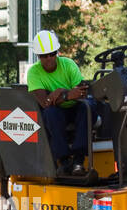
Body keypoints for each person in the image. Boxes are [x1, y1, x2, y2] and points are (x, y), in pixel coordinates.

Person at [26, 30, 90, 174]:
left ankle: (79, 161)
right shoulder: (34, 73)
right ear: (38, 56)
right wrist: (67, 94)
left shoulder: (68, 65)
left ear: (57, 52)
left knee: (86, 109)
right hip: (57, 111)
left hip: (75, 108)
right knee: (50, 113)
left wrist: (60, 93)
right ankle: (64, 160)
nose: (49, 59)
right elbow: (45, 103)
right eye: (44, 56)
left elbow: (81, 93)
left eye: (52, 54)